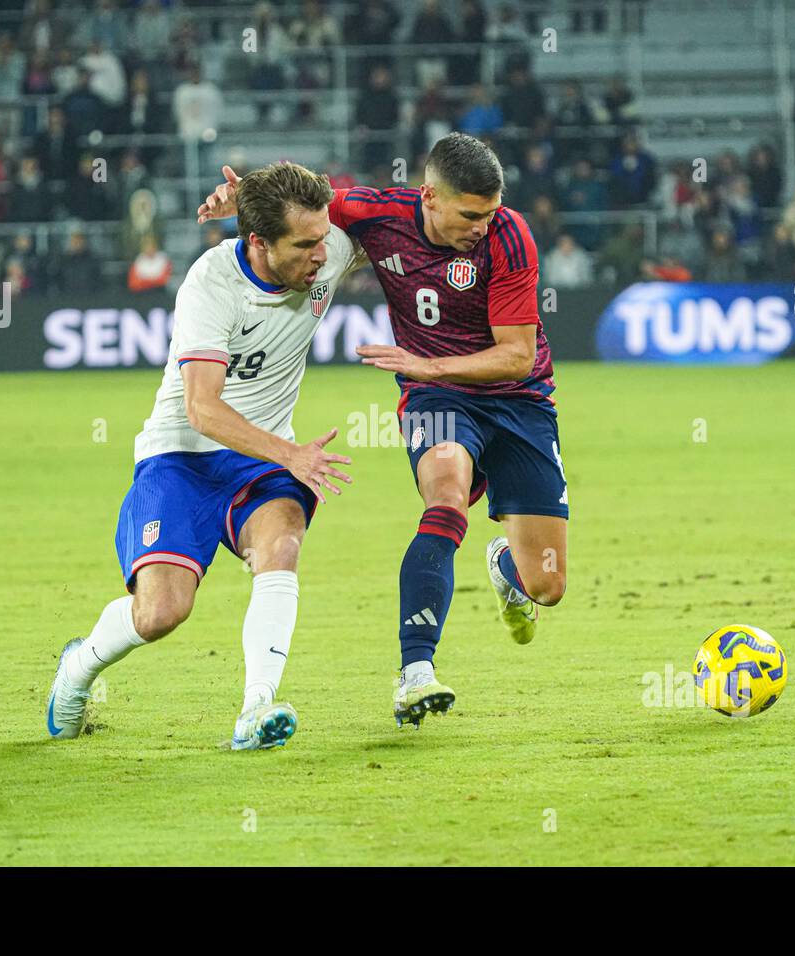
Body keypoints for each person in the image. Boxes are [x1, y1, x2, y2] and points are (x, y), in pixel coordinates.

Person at [198, 132, 569, 730]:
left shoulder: (509, 236)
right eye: (470, 214)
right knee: (445, 492)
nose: (481, 225)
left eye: (490, 212)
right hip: (435, 397)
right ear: (429, 197)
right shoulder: (377, 214)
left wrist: (429, 363)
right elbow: (300, 204)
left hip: (518, 400)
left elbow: (516, 356)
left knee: (547, 585)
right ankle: (415, 673)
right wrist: (243, 200)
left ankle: (509, 574)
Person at [46, 163, 369, 749]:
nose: (322, 256)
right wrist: (291, 454)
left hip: (262, 463)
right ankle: (80, 664)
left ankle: (256, 710)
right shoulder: (210, 283)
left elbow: (389, 221)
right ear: (259, 243)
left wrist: (251, 193)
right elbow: (203, 409)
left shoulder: (329, 247)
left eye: (324, 238)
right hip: (182, 457)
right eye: (304, 245)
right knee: (161, 613)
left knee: (282, 547)